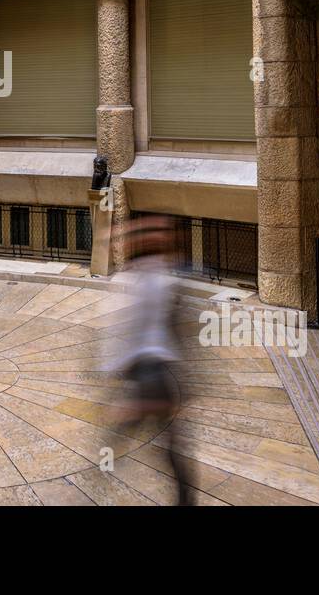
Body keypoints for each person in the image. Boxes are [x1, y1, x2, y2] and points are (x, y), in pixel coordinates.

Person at [112, 214, 195, 505]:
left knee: (135, 435)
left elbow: (173, 333)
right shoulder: (146, 277)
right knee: (164, 442)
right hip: (148, 372)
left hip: (154, 372)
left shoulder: (160, 280)